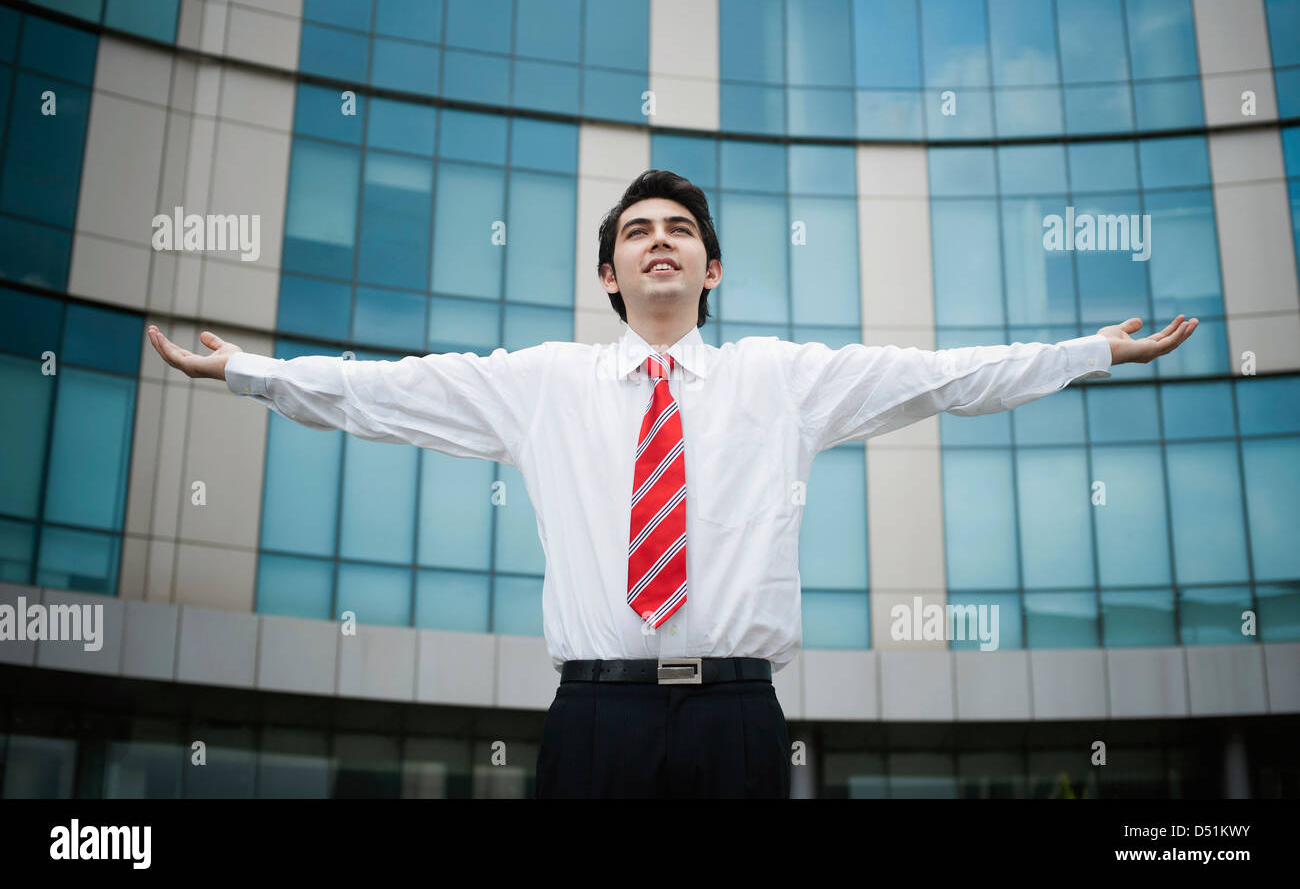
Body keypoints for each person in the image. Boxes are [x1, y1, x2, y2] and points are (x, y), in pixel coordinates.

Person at [147, 168, 1198, 799]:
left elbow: (944, 378)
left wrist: (1088, 351)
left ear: (711, 269)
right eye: (637, 232)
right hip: (593, 714)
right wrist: (248, 370)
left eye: (680, 230)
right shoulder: (541, 384)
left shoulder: (779, 380)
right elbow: (383, 392)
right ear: (609, 274)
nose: (660, 242)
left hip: (737, 714)